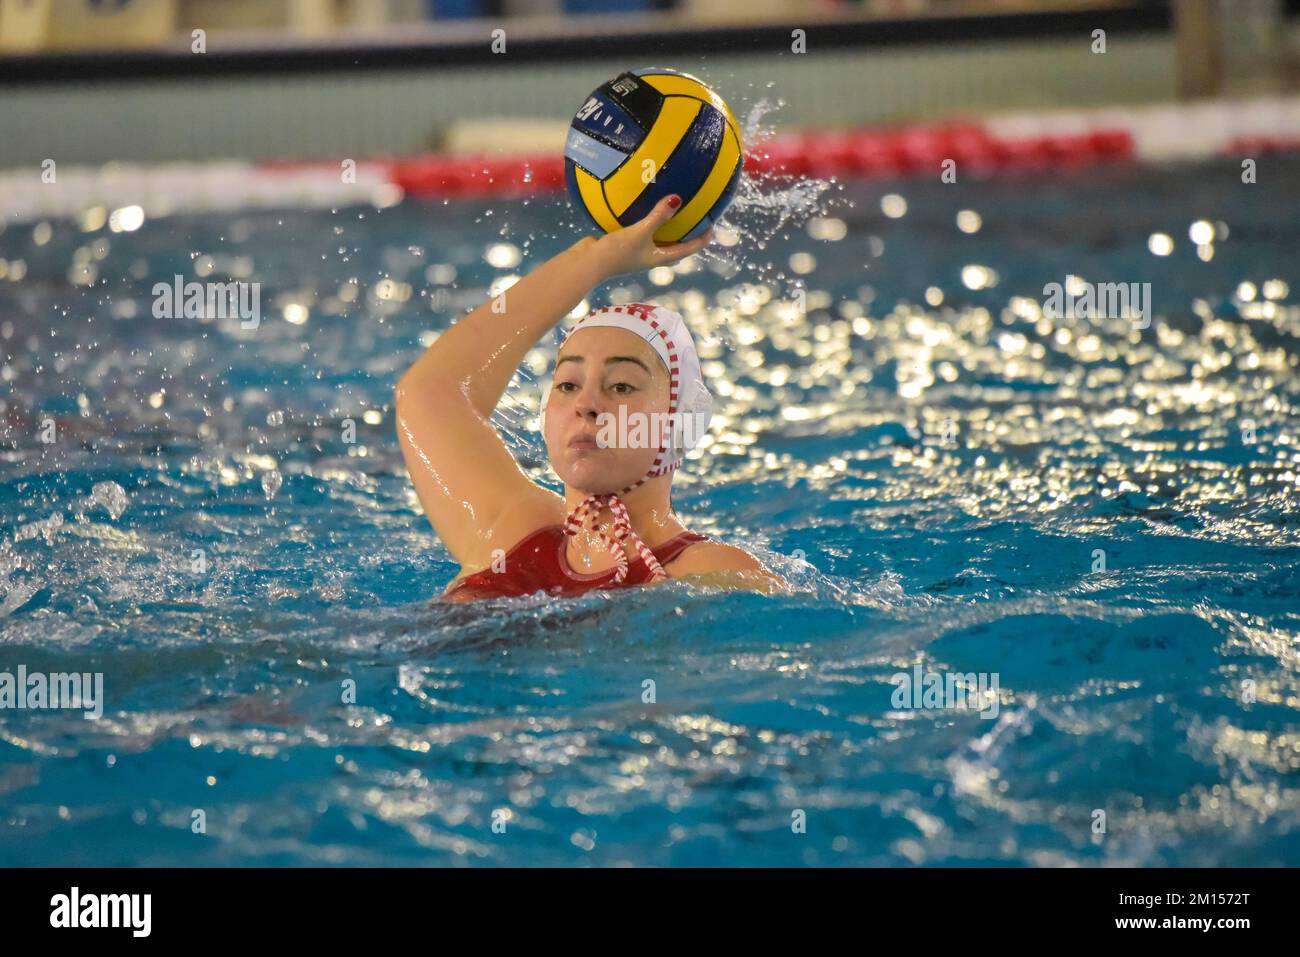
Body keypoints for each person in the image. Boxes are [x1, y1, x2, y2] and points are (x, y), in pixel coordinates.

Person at [395, 193, 786, 601]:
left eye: (621, 386)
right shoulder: (510, 529)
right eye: (568, 384)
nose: (587, 405)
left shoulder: (712, 573)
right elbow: (430, 392)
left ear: (681, 420)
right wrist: (594, 259)